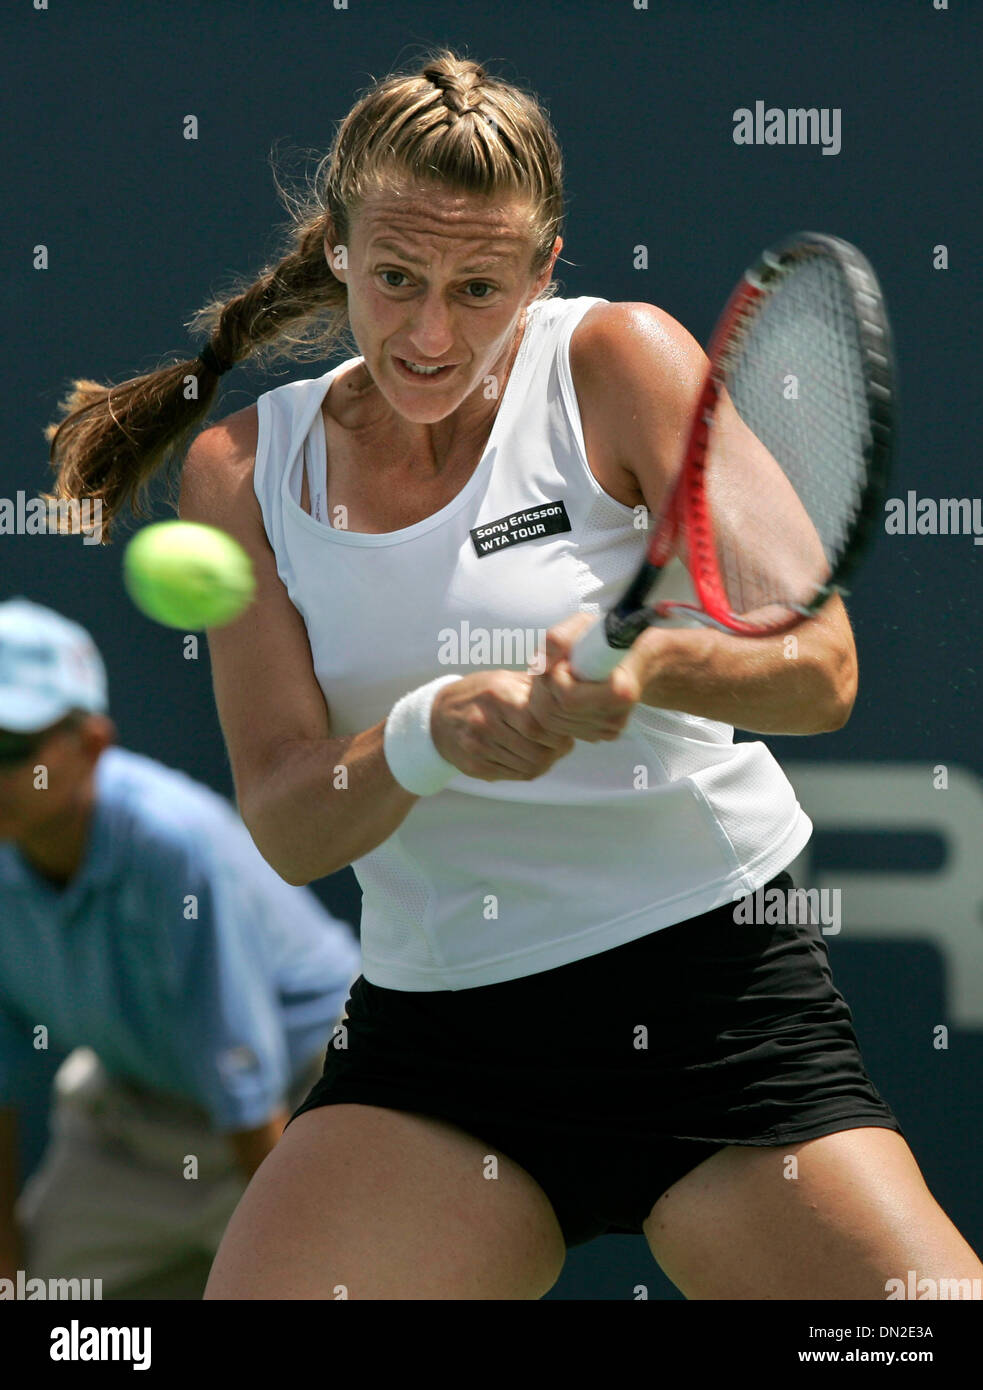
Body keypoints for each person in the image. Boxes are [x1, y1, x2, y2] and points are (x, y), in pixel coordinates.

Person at [43, 47, 983, 1301]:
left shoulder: (618, 363)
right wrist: (431, 732)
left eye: (478, 286)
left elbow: (818, 668)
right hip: (441, 1053)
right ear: (337, 252)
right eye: (395, 279)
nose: (430, 334)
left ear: (544, 269)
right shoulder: (241, 473)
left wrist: (650, 661)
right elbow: (286, 819)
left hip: (711, 1004)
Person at [0, 598, 360, 1299]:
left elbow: (243, 1082)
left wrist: (306, 1266)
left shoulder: (172, 847)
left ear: (92, 746)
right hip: (137, 1119)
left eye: (8, 750)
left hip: (308, 1103)